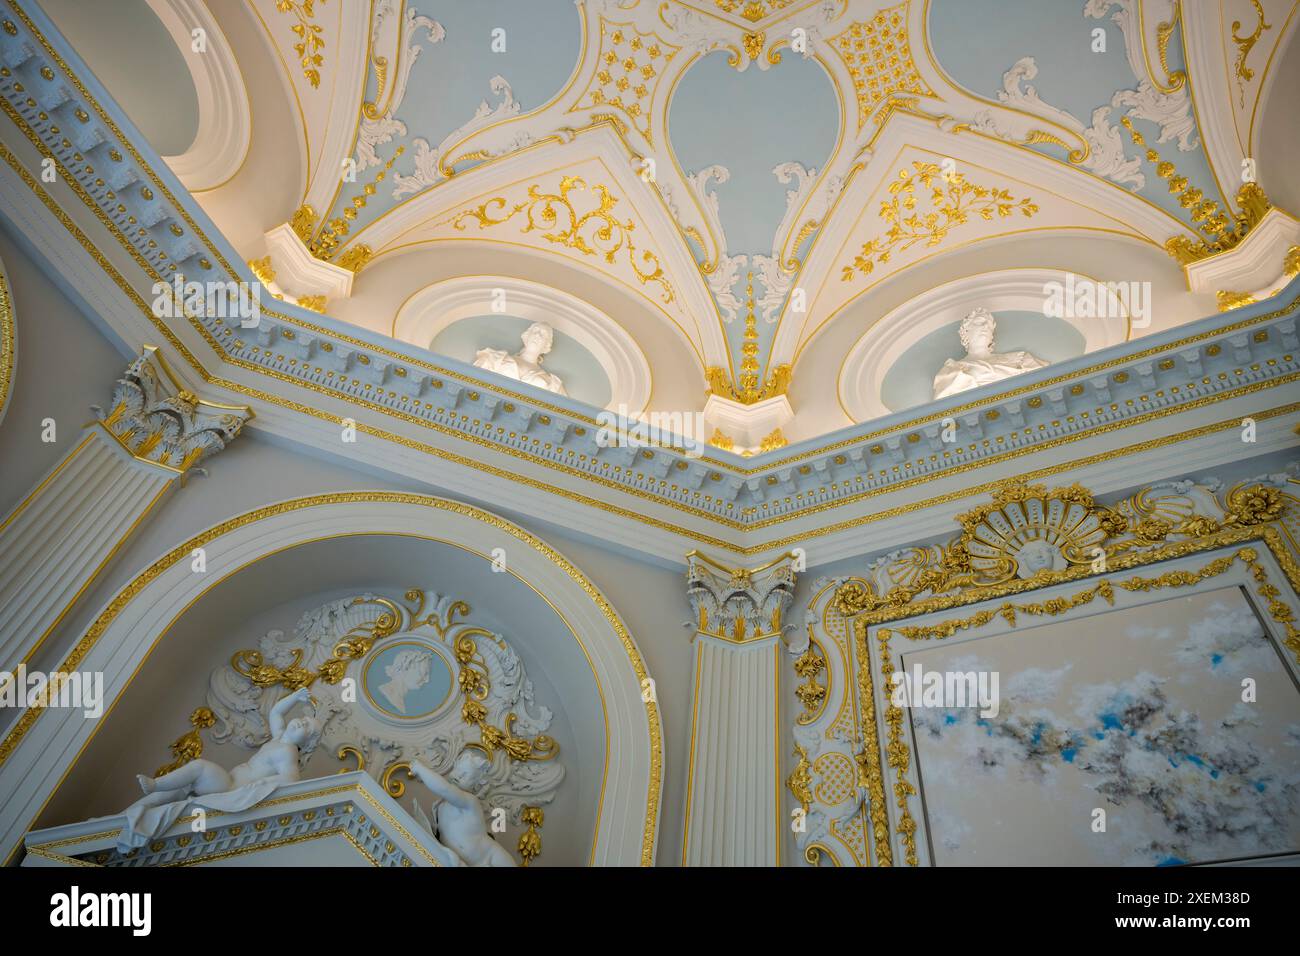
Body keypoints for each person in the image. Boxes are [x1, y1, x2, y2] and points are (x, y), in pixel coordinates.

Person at [118, 687, 321, 850]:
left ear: (307, 742)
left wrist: (263, 783)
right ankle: (127, 815)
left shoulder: (289, 752)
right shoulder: (279, 737)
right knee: (180, 788)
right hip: (227, 782)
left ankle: (155, 784)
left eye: (306, 727)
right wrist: (295, 697)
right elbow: (277, 711)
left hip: (230, 787)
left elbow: (291, 778)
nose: (301, 722)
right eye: (303, 718)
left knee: (199, 767)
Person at [408, 749, 516, 867]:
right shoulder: (439, 806)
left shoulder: (470, 802)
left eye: (465, 775)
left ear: (476, 785)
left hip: (491, 857)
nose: (458, 776)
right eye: (458, 770)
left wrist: (420, 768)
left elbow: (445, 789)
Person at [932, 308, 1048, 400]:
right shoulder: (952, 370)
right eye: (979, 322)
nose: (985, 326)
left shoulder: (1019, 359)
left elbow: (1044, 380)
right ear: (965, 331)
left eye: (988, 325)